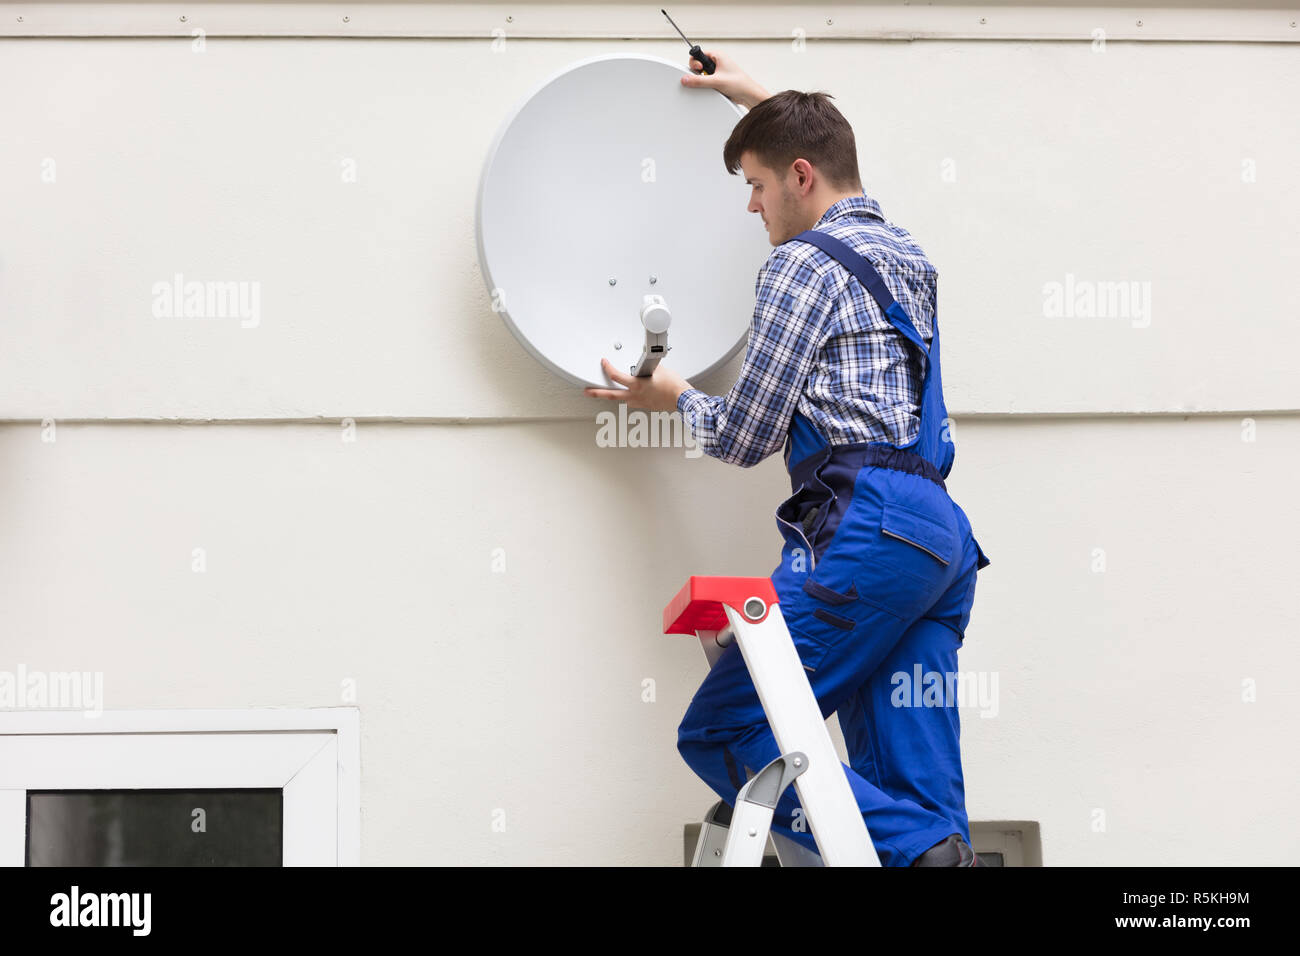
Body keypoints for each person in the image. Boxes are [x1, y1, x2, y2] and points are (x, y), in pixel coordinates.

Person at [584, 51, 991, 867]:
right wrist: (760, 99)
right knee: (914, 782)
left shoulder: (800, 265)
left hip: (869, 529)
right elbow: (833, 158)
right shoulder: (905, 253)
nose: (751, 205)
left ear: (799, 177)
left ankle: (920, 849)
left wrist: (674, 396)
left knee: (725, 731)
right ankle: (931, 846)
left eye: (758, 185)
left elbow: (743, 437)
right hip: (939, 544)